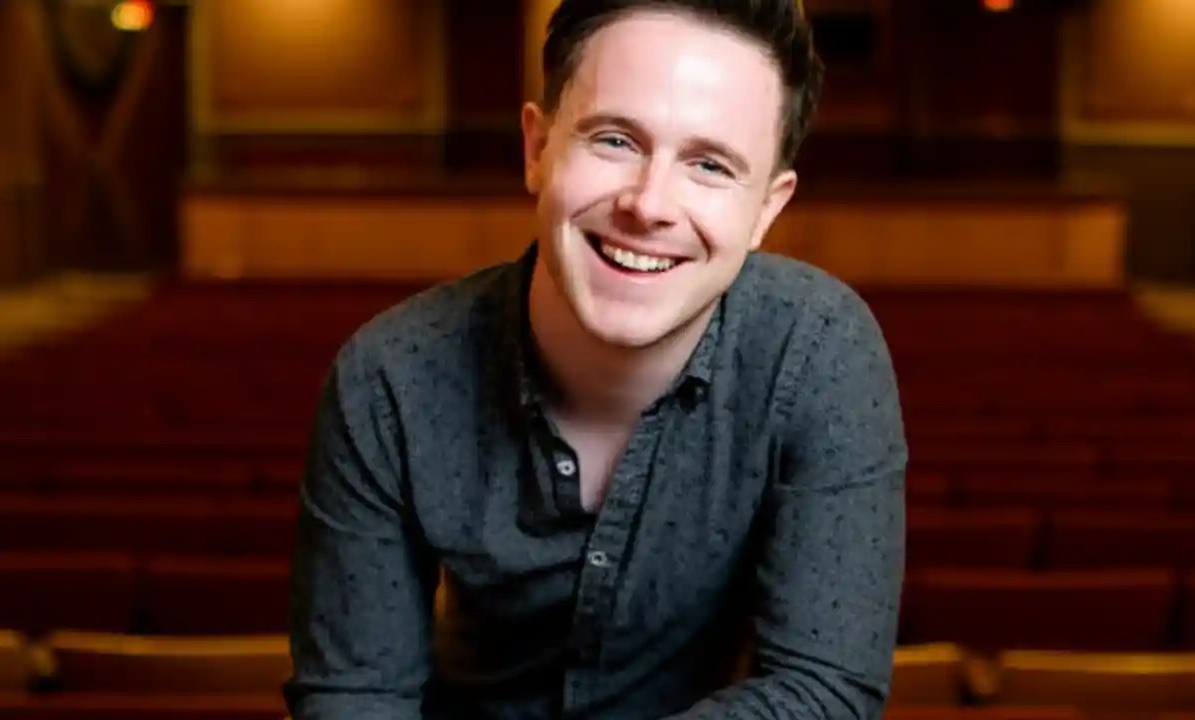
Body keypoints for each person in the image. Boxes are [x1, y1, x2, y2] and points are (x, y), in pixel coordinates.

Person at [284, 0, 907, 717]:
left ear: (767, 210)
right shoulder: (388, 377)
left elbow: (823, 690)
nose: (649, 204)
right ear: (536, 150)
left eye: (709, 164)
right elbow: (353, 698)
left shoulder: (822, 350)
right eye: (614, 140)